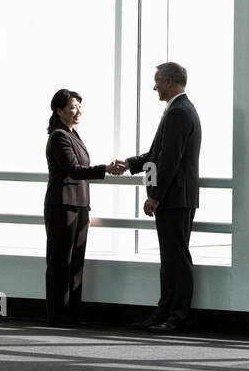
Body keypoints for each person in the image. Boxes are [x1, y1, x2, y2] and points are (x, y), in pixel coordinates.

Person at [120, 62, 201, 333]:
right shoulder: (179, 109)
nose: (154, 87)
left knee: (175, 258)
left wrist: (155, 196)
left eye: (157, 81)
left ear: (169, 81)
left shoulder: (178, 112)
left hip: (174, 199)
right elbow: (158, 154)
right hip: (178, 197)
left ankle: (177, 316)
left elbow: (168, 160)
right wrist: (130, 163)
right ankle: (165, 311)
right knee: (171, 259)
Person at [44, 89, 120, 329]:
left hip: (79, 205)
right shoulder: (58, 136)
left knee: (75, 261)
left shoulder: (72, 134)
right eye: (73, 107)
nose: (78, 111)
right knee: (60, 263)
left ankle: (73, 313)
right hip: (62, 206)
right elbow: (73, 169)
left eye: (79, 106)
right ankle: (58, 315)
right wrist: (104, 169)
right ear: (59, 110)